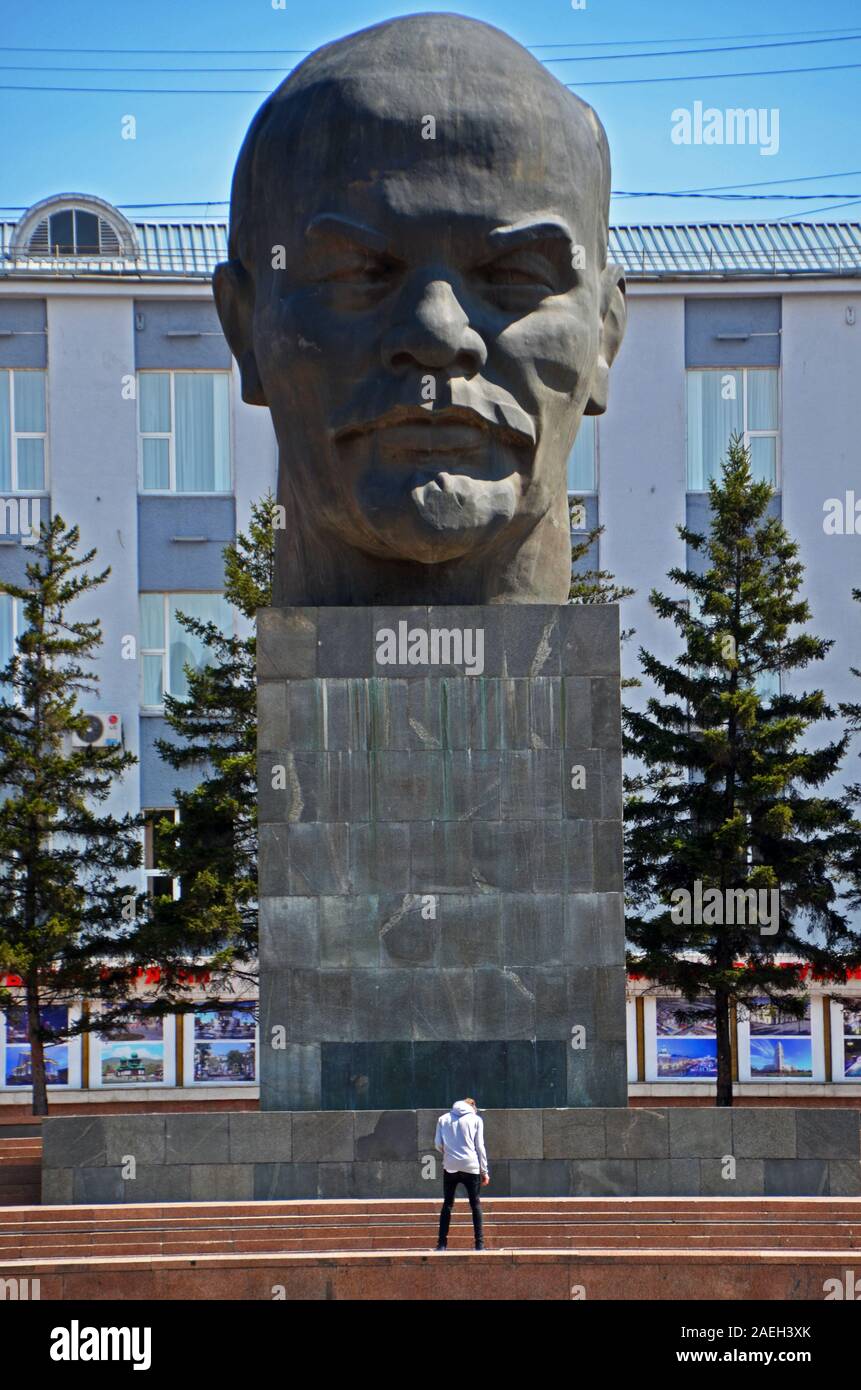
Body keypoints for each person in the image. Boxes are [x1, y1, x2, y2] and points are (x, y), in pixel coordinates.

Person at [434, 1098, 490, 1251]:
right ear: (472, 1107)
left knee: (448, 1204)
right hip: (470, 1165)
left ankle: (441, 1244)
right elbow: (480, 1146)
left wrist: (450, 1153)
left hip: (450, 1166)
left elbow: (438, 1144)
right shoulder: (476, 1119)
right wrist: (484, 1171)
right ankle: (479, 1245)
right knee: (475, 1204)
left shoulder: (443, 1119)